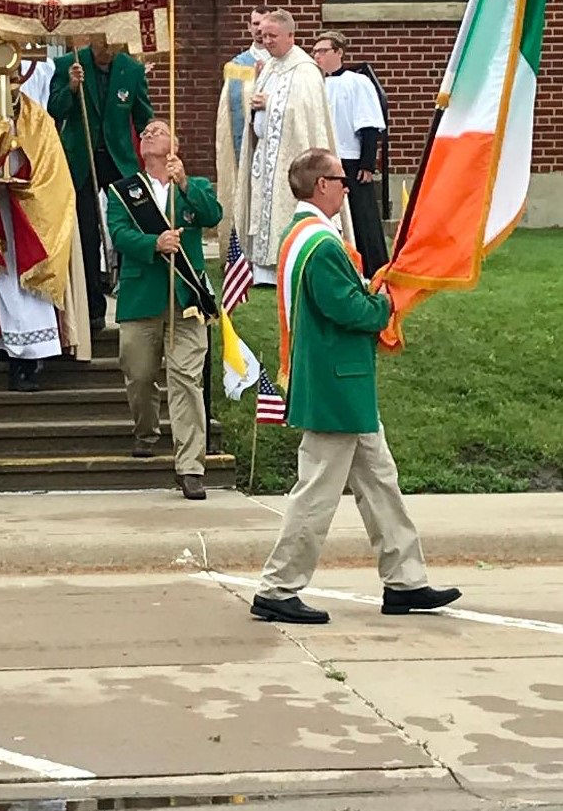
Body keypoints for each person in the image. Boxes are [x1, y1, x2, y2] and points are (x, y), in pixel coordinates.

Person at [250, 149, 461, 624]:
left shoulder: (305, 236)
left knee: (381, 483)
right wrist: (384, 304)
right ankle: (278, 587)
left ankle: (405, 582)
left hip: (345, 386)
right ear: (320, 185)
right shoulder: (321, 245)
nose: (348, 185)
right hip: (335, 388)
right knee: (317, 492)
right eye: (340, 178)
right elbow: (347, 310)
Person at [0, 54, 91, 392]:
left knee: (28, 287)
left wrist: (24, 175)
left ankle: (33, 357)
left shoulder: (37, 116)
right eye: (4, 74)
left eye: (16, 73)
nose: (10, 81)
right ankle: (3, 351)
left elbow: (52, 168)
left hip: (29, 213)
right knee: (1, 284)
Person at [107, 120, 221, 500]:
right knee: (139, 375)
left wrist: (185, 183)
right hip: (142, 297)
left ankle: (191, 466)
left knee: (187, 379)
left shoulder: (194, 186)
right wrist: (153, 243)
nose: (148, 134)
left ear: (176, 142)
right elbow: (119, 234)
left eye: (158, 130)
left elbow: (212, 215)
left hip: (186, 300)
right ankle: (145, 430)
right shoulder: (123, 191)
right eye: (144, 133)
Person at [233, 9, 351, 285]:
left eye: (273, 36)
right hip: (266, 156)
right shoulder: (271, 66)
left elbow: (303, 112)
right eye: (263, 36)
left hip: (291, 159)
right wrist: (254, 106)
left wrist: (269, 105)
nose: (268, 41)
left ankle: (287, 262)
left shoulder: (305, 70)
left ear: (290, 36)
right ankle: (263, 269)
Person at [49, 36, 155, 331]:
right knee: (85, 231)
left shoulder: (131, 70)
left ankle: (130, 296)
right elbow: (54, 110)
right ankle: (93, 307)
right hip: (82, 158)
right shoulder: (68, 64)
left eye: (113, 46)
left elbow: (143, 117)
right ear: (91, 40)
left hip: (119, 159)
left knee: (131, 224)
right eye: (102, 46)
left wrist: (156, 142)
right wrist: (71, 88)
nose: (107, 52)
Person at [312, 31, 390, 277]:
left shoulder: (357, 82)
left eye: (323, 51)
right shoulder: (316, 84)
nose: (317, 56)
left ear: (338, 52)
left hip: (351, 159)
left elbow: (368, 124)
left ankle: (372, 265)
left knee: (361, 214)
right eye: (315, 52)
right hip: (324, 158)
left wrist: (367, 163)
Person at [215, 5, 271, 247]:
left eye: (264, 24)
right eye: (255, 24)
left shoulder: (283, 62)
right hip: (245, 144)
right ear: (249, 27)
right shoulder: (237, 66)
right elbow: (228, 111)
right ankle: (242, 249)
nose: (259, 29)